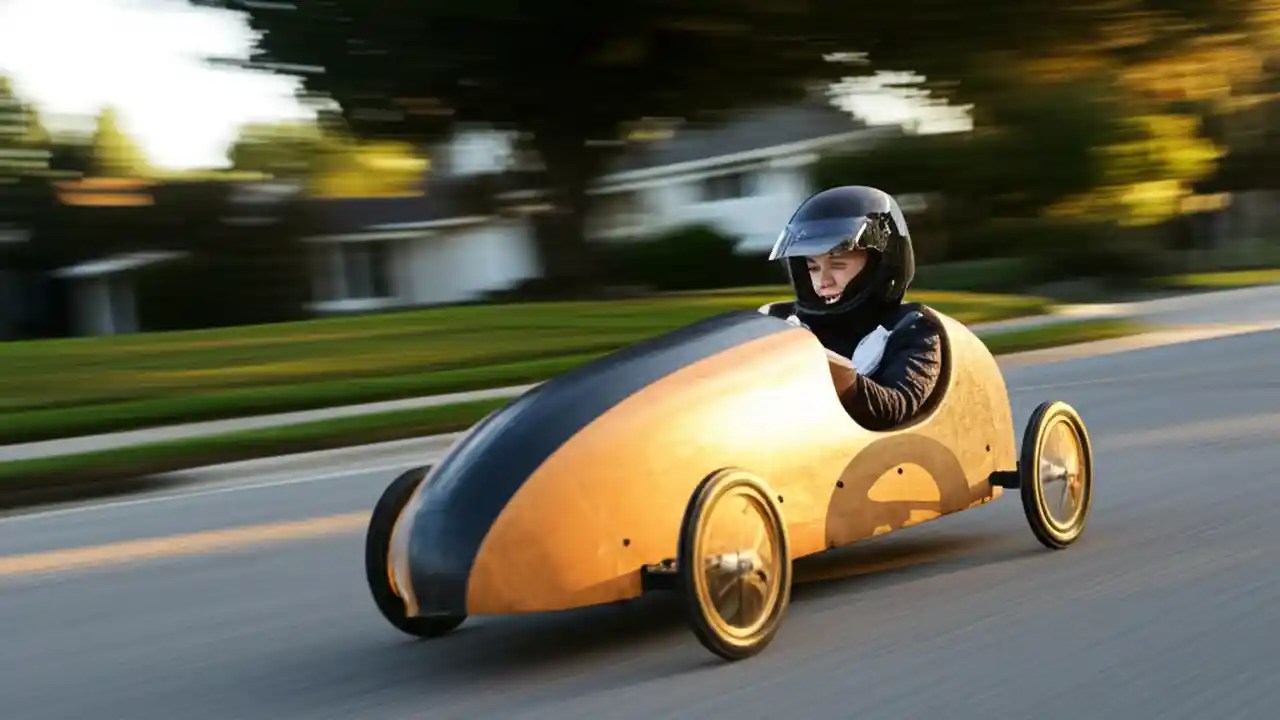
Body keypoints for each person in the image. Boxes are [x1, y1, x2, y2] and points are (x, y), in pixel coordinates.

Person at [759, 186, 943, 431]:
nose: (823, 281)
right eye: (812, 268)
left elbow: (893, 409)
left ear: (880, 264)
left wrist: (811, 358)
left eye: (838, 264)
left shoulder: (914, 328)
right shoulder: (779, 320)